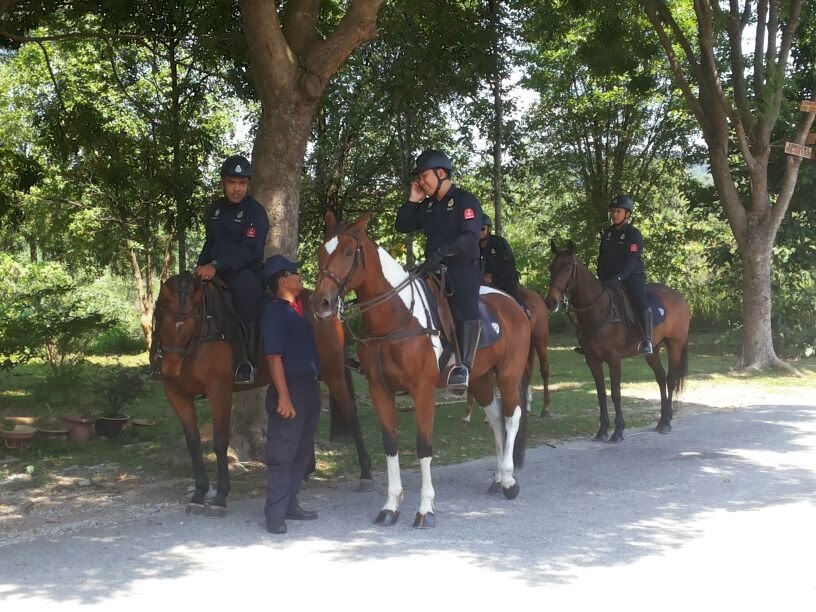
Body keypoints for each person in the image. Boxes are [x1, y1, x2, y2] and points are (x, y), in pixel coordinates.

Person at [396, 149, 483, 392]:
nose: (421, 182)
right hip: (432, 270)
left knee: (467, 307)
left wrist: (443, 252)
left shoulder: (465, 201)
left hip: (461, 267)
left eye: (424, 177)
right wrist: (413, 199)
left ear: (441, 173)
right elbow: (402, 225)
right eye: (420, 179)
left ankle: (463, 367)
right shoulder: (427, 207)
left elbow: (469, 238)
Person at [195, 154, 270, 383]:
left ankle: (246, 361)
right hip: (213, 269)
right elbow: (210, 242)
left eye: (242, 183)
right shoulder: (215, 210)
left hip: (244, 270)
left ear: (248, 185)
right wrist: (200, 266)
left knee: (246, 293)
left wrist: (216, 266)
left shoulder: (255, 213)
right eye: (231, 182)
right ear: (223, 183)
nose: (237, 189)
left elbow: (248, 250)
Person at [261, 254, 321, 535]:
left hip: (309, 385)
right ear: (283, 279)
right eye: (294, 273)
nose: (299, 277)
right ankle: (274, 512)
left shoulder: (299, 309)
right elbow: (274, 358)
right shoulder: (275, 312)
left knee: (302, 450)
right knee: (282, 451)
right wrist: (283, 397)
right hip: (290, 386)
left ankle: (290, 503)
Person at [597, 194, 653, 355]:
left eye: (618, 211)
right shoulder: (607, 233)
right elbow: (601, 258)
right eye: (613, 211)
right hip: (609, 278)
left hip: (631, 276)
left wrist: (620, 278)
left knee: (640, 301)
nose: (614, 214)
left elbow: (633, 260)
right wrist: (601, 277)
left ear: (627, 214)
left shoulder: (633, 234)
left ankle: (647, 340)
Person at [479, 213, 524, 305]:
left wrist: (493, 277)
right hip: (479, 281)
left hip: (503, 280)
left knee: (516, 299)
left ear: (488, 229)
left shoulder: (499, 243)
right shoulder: (471, 246)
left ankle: (525, 311)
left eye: (482, 228)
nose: (479, 232)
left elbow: (509, 264)